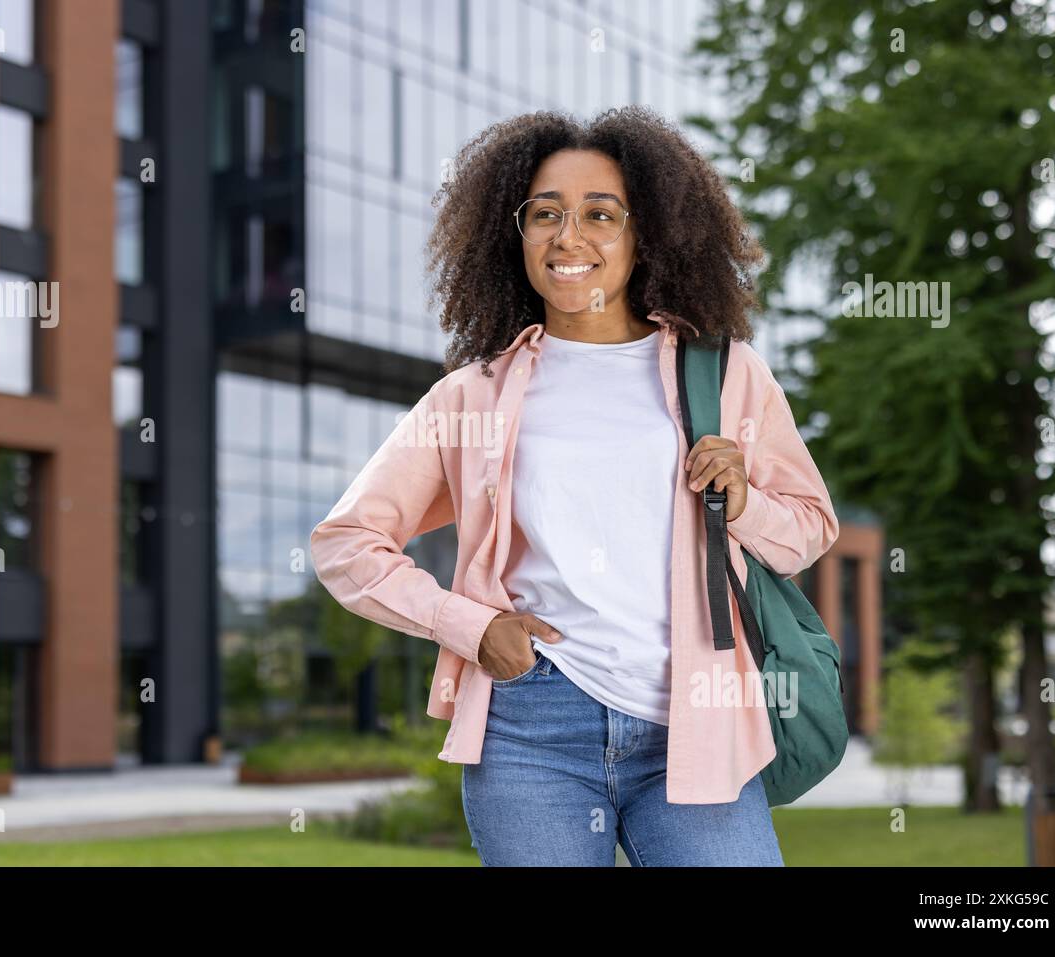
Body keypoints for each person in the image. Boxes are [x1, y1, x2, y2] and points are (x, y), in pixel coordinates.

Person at [310, 106, 839, 866]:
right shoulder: (474, 394)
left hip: (696, 723)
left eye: (601, 213)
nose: (569, 236)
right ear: (514, 231)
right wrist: (468, 625)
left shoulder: (724, 374)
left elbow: (811, 528)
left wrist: (745, 499)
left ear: (644, 232)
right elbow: (345, 543)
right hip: (533, 726)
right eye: (546, 213)